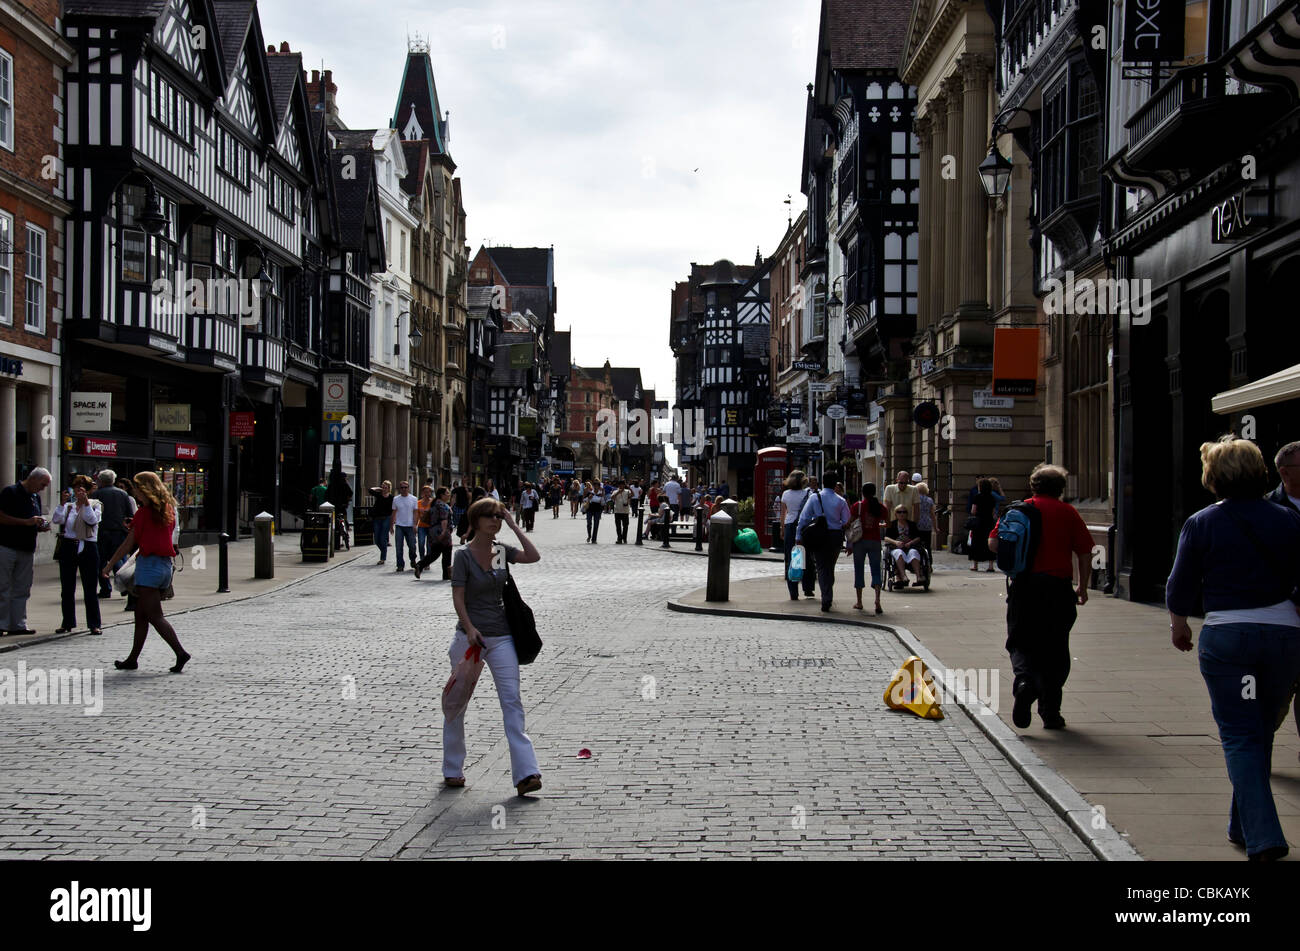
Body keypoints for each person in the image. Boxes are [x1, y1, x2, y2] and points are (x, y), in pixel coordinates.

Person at [1167, 438, 1300, 861]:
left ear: (1213, 476)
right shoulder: (1289, 519)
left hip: (1229, 641)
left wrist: (1179, 623)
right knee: (1260, 729)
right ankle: (1241, 826)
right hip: (1283, 639)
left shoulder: (1202, 522)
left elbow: (1180, 584)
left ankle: (1264, 838)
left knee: (1242, 734)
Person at [444, 496, 543, 796]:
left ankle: (526, 773)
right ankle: (452, 768)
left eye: (498, 517)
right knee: (457, 704)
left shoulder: (499, 552)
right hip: (469, 639)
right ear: (475, 521)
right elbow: (459, 596)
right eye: (489, 516)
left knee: (511, 701)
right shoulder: (463, 556)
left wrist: (514, 524)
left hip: (501, 637)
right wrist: (471, 628)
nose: (495, 521)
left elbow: (532, 556)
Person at [989, 463, 1092, 733]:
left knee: (1020, 642)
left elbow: (994, 543)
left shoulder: (1019, 510)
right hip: (1058, 589)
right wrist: (1082, 586)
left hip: (1024, 587)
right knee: (1056, 649)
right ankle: (1050, 713)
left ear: (1033, 486)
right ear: (1060, 488)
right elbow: (1084, 551)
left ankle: (1024, 682)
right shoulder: (1068, 512)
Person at [102, 471, 191, 673]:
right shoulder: (168, 509)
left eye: (136, 487)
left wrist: (109, 566)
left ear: (143, 489)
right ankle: (132, 659)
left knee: (155, 616)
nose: (134, 491)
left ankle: (180, 652)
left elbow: (127, 544)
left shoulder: (143, 513)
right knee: (141, 615)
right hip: (164, 566)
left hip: (148, 566)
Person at [0, 467, 53, 637]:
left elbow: (32, 520)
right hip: (7, 545)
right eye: (43, 484)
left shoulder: (35, 497)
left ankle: (17, 624)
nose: (43, 489)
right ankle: (2, 623)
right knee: (3, 586)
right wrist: (26, 522)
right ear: (33, 479)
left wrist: (40, 526)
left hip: (27, 548)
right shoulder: (10, 492)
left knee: (22, 588)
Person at [52, 474, 103, 635]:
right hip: (69, 545)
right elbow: (57, 520)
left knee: (90, 587)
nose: (78, 491)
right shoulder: (69, 507)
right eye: (76, 488)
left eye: (82, 488)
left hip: (87, 545)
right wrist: (61, 504)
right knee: (67, 588)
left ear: (88, 491)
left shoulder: (95, 505)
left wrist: (86, 502)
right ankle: (67, 622)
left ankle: (94, 624)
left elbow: (92, 521)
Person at [796, 466, 851, 612]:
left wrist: (798, 536)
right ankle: (828, 595)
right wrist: (849, 541)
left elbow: (804, 518)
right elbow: (847, 522)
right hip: (835, 536)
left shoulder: (814, 498)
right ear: (835, 484)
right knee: (830, 567)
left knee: (821, 567)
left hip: (819, 535)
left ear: (822, 483)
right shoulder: (841, 501)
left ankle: (826, 597)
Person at [92, 469, 136, 599]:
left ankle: (106, 588)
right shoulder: (123, 494)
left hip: (102, 532)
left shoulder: (96, 494)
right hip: (119, 531)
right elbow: (130, 514)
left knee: (101, 561)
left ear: (101, 481)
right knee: (118, 559)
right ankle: (124, 585)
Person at [848, 484, 887, 614]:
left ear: (862, 492)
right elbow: (889, 522)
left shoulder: (857, 506)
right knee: (876, 569)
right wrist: (878, 525)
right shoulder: (880, 507)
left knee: (858, 569)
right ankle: (877, 600)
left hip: (860, 541)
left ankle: (859, 601)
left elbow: (850, 522)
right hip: (875, 540)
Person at [780, 470, 817, 602]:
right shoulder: (809, 494)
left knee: (792, 559)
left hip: (790, 526)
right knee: (807, 558)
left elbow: (783, 514)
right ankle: (808, 588)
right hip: (805, 527)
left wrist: (782, 529)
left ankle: (793, 593)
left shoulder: (785, 494)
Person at [414, 486, 455, 580]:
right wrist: (444, 532)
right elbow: (444, 520)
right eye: (447, 493)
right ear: (442, 495)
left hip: (433, 531)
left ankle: (420, 565)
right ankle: (446, 575)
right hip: (441, 532)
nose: (449, 495)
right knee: (446, 552)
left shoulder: (434, 503)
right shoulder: (442, 505)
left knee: (435, 552)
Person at [884, 505, 924, 588]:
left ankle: (918, 576)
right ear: (895, 514)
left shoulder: (912, 524)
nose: (902, 514)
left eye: (904, 512)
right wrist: (895, 542)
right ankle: (903, 576)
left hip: (910, 547)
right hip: (896, 547)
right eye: (899, 512)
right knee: (899, 553)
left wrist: (911, 542)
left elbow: (918, 537)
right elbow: (886, 537)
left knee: (914, 552)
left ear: (907, 514)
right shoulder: (892, 524)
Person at [968, 478, 999, 571]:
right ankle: (990, 566)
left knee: (976, 542)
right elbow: (994, 512)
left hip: (979, 522)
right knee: (989, 542)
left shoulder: (977, 497)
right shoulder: (992, 497)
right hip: (989, 522)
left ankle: (975, 565)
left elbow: (973, 511)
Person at [391, 481, 419, 572]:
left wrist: (415, 524)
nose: (404, 489)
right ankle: (400, 565)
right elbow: (394, 512)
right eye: (402, 487)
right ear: (399, 489)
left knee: (412, 546)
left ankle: (413, 559)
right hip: (399, 525)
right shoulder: (396, 499)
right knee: (399, 546)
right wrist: (391, 525)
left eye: (405, 487)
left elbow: (415, 512)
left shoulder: (414, 499)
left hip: (410, 525)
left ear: (408, 488)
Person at [371, 481, 394, 566]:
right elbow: (371, 490)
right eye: (383, 487)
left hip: (386, 519)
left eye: (385, 487)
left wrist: (392, 523)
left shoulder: (392, 498)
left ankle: (382, 558)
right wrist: (379, 488)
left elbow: (393, 510)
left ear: (389, 488)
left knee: (382, 538)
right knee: (376, 539)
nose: (384, 489)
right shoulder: (379, 495)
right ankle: (383, 551)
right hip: (377, 518)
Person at [416, 485, 436, 563]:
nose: (427, 493)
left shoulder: (433, 502)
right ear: (422, 493)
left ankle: (427, 561)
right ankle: (422, 558)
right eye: (425, 492)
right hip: (421, 526)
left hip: (431, 527)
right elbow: (416, 515)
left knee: (429, 545)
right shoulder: (418, 503)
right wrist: (415, 525)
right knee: (421, 543)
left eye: (429, 492)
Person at [916, 482, 936, 554]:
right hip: (927, 524)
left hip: (917, 524)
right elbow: (932, 515)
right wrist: (935, 527)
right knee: (928, 544)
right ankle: (929, 561)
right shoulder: (929, 500)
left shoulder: (916, 500)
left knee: (917, 544)